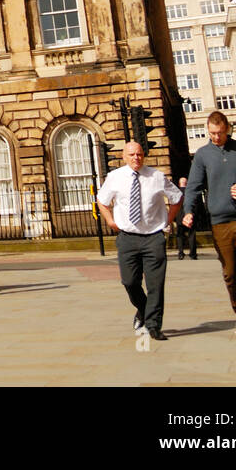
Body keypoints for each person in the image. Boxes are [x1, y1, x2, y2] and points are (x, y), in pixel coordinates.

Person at [183, 111, 236, 344]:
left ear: (228, 129)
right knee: (230, 274)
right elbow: (193, 187)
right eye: (212, 133)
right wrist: (189, 211)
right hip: (219, 222)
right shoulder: (202, 155)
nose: (216, 137)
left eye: (220, 133)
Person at [96, 142, 182, 342]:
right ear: (124, 156)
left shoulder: (157, 177)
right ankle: (143, 309)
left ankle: (153, 326)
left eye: (140, 154)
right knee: (129, 281)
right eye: (132, 154)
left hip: (153, 237)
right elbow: (102, 200)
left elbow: (177, 198)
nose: (136, 158)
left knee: (155, 284)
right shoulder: (115, 177)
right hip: (127, 237)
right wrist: (110, 220)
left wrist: (167, 220)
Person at [174, 177, 198, 260]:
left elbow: (173, 206)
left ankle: (181, 253)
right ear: (186, 183)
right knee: (191, 235)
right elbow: (195, 204)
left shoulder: (176, 192)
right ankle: (193, 254)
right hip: (189, 215)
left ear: (179, 183)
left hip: (179, 217)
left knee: (180, 236)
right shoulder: (190, 192)